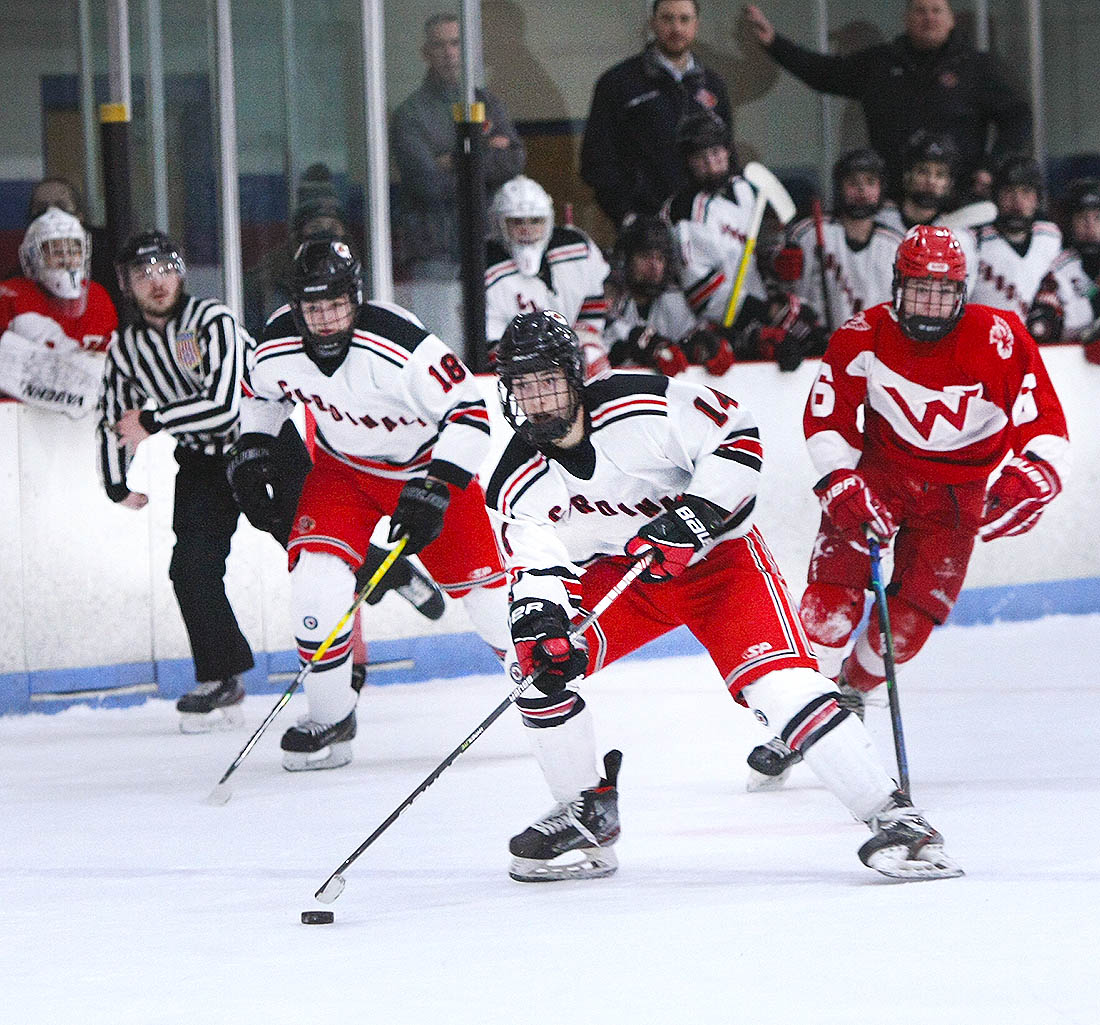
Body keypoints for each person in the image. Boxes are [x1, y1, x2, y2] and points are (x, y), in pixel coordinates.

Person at [485, 309, 962, 883]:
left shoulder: (637, 405)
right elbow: (535, 564)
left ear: (573, 376)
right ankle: (586, 816)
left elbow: (736, 430)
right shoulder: (513, 478)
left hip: (719, 564)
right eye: (523, 385)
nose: (536, 398)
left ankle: (896, 820)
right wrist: (542, 624)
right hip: (623, 577)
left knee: (781, 688)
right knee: (533, 667)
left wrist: (695, 517)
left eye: (547, 381)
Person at [747, 226, 1068, 783]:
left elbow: (1043, 420)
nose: (931, 305)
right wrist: (841, 482)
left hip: (957, 497)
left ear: (963, 292)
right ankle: (797, 715)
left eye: (944, 293)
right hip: (878, 479)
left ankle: (848, 694)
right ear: (896, 286)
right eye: (920, 290)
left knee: (906, 629)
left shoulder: (1000, 336)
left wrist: (1036, 472)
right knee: (829, 606)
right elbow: (828, 418)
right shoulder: (861, 334)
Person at [237, 237, 510, 771]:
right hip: (344, 471)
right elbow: (260, 395)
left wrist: (435, 487)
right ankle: (331, 718)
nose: (326, 319)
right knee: (316, 585)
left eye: (336, 304)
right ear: (296, 306)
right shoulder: (275, 343)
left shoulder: (397, 342)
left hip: (426, 469)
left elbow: (472, 412)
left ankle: (548, 684)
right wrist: (253, 450)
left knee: (488, 604)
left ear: (356, 297)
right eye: (312, 307)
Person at [96, 231, 256, 732]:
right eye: (141, 274)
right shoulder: (126, 347)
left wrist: (156, 418)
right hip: (204, 462)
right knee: (190, 568)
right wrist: (116, 483)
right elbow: (113, 417)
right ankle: (221, 677)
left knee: (310, 541)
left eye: (164, 268)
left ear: (182, 271)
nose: (156, 281)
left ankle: (387, 569)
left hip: (264, 445)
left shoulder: (214, 319)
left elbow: (227, 402)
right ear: (126, 285)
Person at [742, 0, 1031, 197]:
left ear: (951, 19)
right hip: (892, 199)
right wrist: (774, 43)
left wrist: (992, 168)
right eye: (920, 10)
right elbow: (824, 73)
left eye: (936, 10)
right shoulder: (881, 63)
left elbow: (1018, 116)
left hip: (959, 197)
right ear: (906, 19)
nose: (929, 17)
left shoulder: (977, 67)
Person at [391, 10, 526, 346]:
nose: (450, 52)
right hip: (436, 254)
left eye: (455, 43)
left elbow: (515, 159)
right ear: (426, 53)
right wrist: (485, 156)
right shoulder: (410, 114)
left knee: (496, 348)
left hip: (489, 249)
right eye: (440, 45)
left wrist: (455, 160)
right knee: (442, 348)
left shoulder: (488, 103)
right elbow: (426, 185)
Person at [663, 112, 825, 371]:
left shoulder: (744, 189)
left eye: (716, 152)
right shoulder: (686, 210)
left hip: (755, 312)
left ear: (728, 151)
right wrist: (766, 311)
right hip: (715, 328)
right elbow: (701, 293)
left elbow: (758, 252)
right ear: (687, 162)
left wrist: (776, 261)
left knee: (815, 333)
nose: (711, 162)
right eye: (700, 157)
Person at [580, 0, 732, 226]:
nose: (677, 28)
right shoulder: (618, 83)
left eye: (684, 19)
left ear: (696, 25)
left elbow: (729, 154)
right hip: (645, 223)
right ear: (653, 23)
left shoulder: (713, 85)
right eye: (668, 19)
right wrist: (626, 216)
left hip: (707, 222)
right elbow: (596, 160)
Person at [485, 174, 611, 378]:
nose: (527, 230)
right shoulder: (485, 267)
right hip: (522, 373)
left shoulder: (577, 248)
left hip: (569, 355)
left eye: (536, 221)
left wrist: (577, 345)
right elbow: (492, 349)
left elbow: (594, 306)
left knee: (593, 355)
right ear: (499, 223)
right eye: (517, 222)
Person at [0, 208, 117, 418]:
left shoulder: (98, 296)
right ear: (34, 255)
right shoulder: (10, 294)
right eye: (56, 251)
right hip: (19, 419)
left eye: (74, 251)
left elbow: (108, 366)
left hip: (81, 424)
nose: (67, 259)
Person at [969, 155, 1095, 343]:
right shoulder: (974, 241)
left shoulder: (1051, 235)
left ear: (1037, 199)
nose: (1018, 202)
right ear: (995, 196)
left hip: (1041, 350)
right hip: (985, 349)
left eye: (1026, 192)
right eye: (1009, 192)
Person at [787, 148, 903, 330]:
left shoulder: (896, 245)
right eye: (853, 183)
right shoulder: (807, 233)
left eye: (870, 182)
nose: (862, 190)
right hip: (814, 349)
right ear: (839, 187)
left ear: (881, 188)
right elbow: (783, 290)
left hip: (873, 350)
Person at [603, 215, 729, 377]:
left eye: (660, 258)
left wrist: (703, 345)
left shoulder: (672, 298)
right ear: (626, 258)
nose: (654, 266)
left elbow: (687, 336)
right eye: (645, 257)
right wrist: (647, 344)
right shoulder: (608, 294)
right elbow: (611, 339)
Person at [876, 130, 979, 290]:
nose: (931, 181)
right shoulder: (880, 222)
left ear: (949, 183)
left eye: (940, 175)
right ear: (907, 175)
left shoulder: (959, 238)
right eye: (923, 171)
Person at [1062, 178, 1100, 360]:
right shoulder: (1057, 266)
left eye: (1097, 217)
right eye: (1081, 217)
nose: (1090, 225)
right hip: (1069, 361)